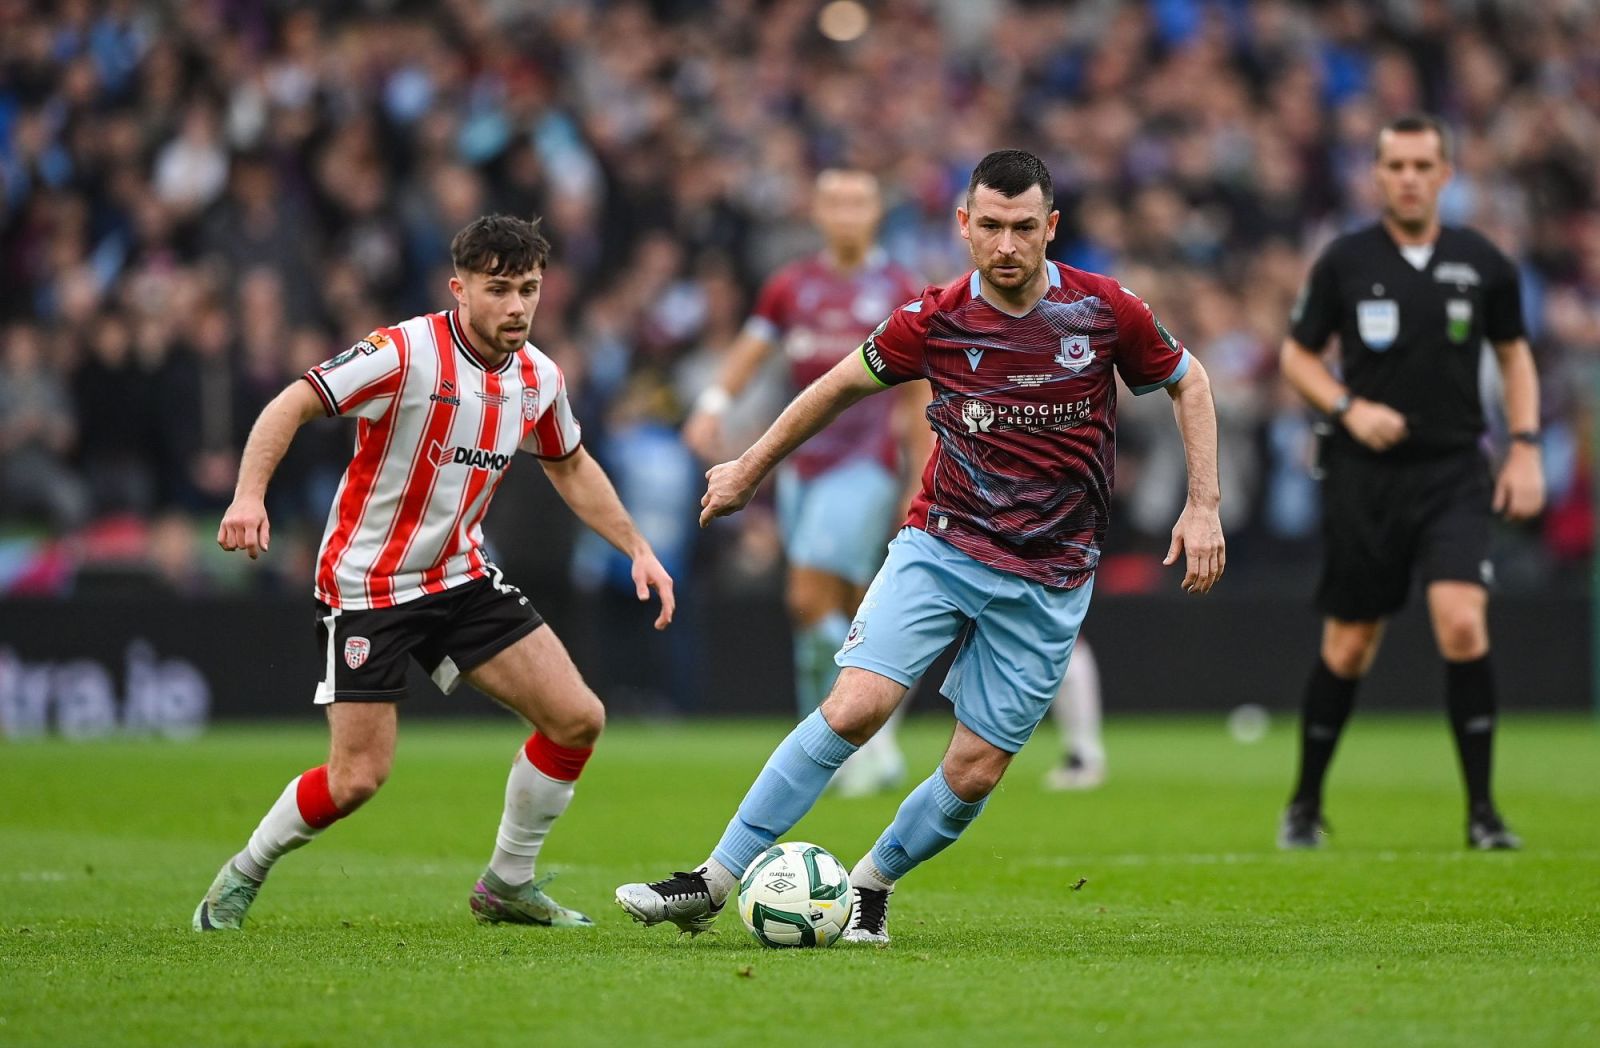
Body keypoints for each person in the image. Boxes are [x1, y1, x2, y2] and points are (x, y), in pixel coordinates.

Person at [616, 150, 1223, 944]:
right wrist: (749, 468)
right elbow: (833, 387)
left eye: (1025, 228)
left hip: (1051, 572)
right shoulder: (931, 319)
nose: (1007, 246)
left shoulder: (1104, 310)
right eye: (992, 227)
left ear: (1052, 228)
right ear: (964, 226)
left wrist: (1203, 504)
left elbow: (1191, 381)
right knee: (856, 705)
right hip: (942, 545)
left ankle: (872, 881)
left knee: (975, 771)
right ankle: (713, 877)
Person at [192, 215, 675, 931]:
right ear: (460, 289)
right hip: (367, 586)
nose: (517, 307)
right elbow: (293, 402)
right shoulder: (403, 352)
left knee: (577, 719)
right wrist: (248, 494)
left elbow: (569, 463)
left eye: (530, 290)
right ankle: (241, 875)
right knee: (359, 777)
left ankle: (507, 884)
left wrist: (635, 544)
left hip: (458, 576)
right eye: (500, 289)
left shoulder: (539, 377)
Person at [1277, 115, 1544, 851]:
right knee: (1351, 645)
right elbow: (1295, 358)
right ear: (1378, 174)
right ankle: (1304, 803)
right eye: (1396, 165)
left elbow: (1516, 356)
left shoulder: (1483, 262)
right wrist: (1347, 408)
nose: (1409, 178)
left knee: (1462, 621)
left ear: (1446, 174)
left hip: (1454, 470)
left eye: (1424, 165)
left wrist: (1524, 447)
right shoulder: (1345, 260)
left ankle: (1484, 814)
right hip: (1366, 479)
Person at [682, 169, 927, 796]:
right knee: (845, 607)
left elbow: (918, 394)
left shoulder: (900, 288)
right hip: (801, 467)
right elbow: (751, 348)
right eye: (836, 203)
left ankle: (832, 742)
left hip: (865, 462)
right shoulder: (792, 287)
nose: (847, 213)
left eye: (860, 202)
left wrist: (918, 477)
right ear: (817, 213)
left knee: (804, 597)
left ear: (877, 213)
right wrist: (712, 402)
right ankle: (871, 735)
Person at [1041, 638, 1106, 791]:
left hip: (1075, 652)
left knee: (1082, 714)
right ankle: (1075, 760)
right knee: (1064, 714)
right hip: (1051, 653)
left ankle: (1089, 763)